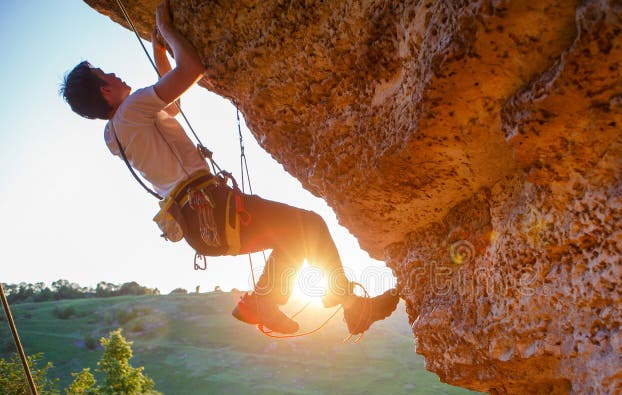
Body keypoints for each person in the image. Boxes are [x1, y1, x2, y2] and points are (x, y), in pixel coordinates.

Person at [59, 0, 398, 335]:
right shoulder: (133, 108)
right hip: (215, 208)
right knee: (310, 225)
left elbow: (171, 109)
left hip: (201, 228)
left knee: (292, 236)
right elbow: (192, 71)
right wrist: (168, 32)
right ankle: (341, 305)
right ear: (104, 89)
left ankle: (266, 304)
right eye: (107, 74)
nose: (115, 75)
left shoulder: (112, 135)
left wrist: (159, 51)